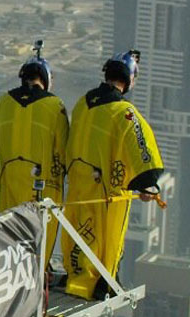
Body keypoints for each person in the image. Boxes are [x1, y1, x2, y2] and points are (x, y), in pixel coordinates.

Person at [61, 50, 164, 301]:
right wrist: (148, 182)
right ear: (129, 79)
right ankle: (103, 281)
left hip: (77, 183)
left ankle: (77, 278)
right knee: (108, 235)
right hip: (107, 188)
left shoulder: (83, 103)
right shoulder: (124, 111)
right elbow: (140, 143)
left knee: (77, 230)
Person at [0, 41, 69, 265]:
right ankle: (37, 277)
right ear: (45, 80)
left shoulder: (2, 103)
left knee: (10, 235)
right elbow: (65, 151)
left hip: (9, 183)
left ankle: (12, 276)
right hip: (43, 186)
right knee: (39, 240)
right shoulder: (55, 106)